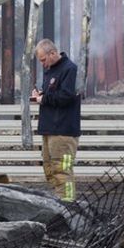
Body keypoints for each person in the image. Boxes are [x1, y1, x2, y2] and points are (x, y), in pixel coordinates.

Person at [30, 38, 80, 202]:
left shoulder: (69, 69)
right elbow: (54, 95)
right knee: (50, 168)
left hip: (63, 131)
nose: (43, 64)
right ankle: (61, 199)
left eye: (43, 60)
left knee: (62, 169)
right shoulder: (50, 70)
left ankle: (68, 204)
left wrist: (43, 99)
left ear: (52, 53)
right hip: (49, 128)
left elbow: (66, 96)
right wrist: (42, 96)